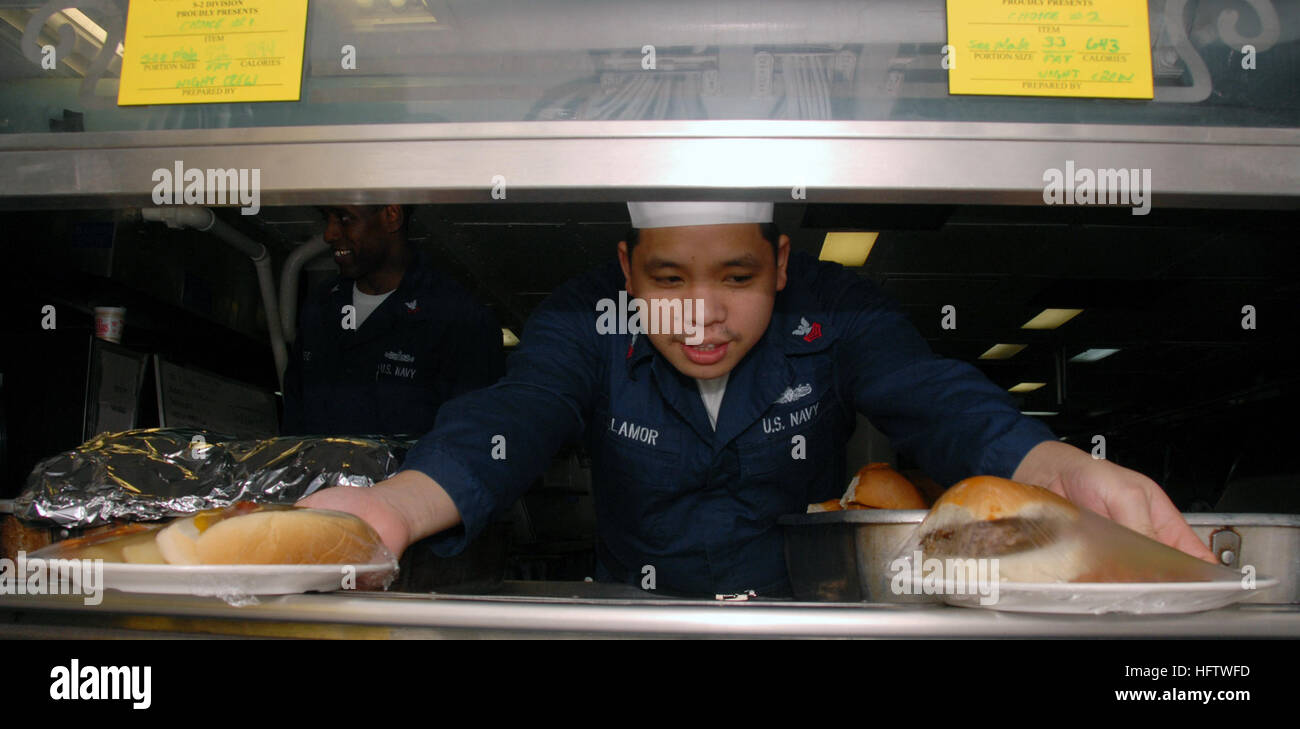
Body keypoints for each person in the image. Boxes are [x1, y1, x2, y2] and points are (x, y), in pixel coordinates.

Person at [300, 202, 1214, 595]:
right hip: (641, 616)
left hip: (795, 617)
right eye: (667, 279)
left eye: (737, 275)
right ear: (626, 268)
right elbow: (514, 415)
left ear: (783, 262)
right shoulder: (588, 318)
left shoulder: (837, 310)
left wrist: (1059, 470)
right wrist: (390, 508)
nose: (702, 315)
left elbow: (940, 402)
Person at [282, 204, 506, 436]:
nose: (329, 234)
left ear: (391, 216)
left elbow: (474, 440)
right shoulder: (321, 305)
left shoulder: (457, 317)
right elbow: (294, 422)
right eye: (326, 219)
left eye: (344, 218)